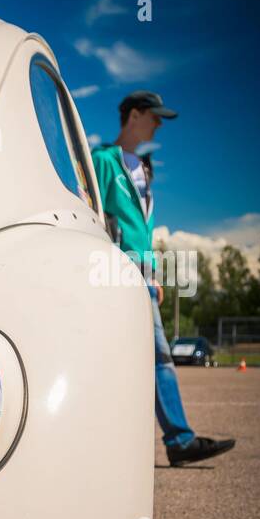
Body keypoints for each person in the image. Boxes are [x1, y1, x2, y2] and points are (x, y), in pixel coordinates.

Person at [91, 90, 235, 466]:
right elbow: (92, 214)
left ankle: (173, 441)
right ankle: (176, 441)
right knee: (147, 357)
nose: (157, 124)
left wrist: (152, 274)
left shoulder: (144, 167)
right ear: (134, 115)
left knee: (150, 358)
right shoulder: (103, 160)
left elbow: (143, 230)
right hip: (115, 272)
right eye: (154, 117)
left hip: (142, 275)